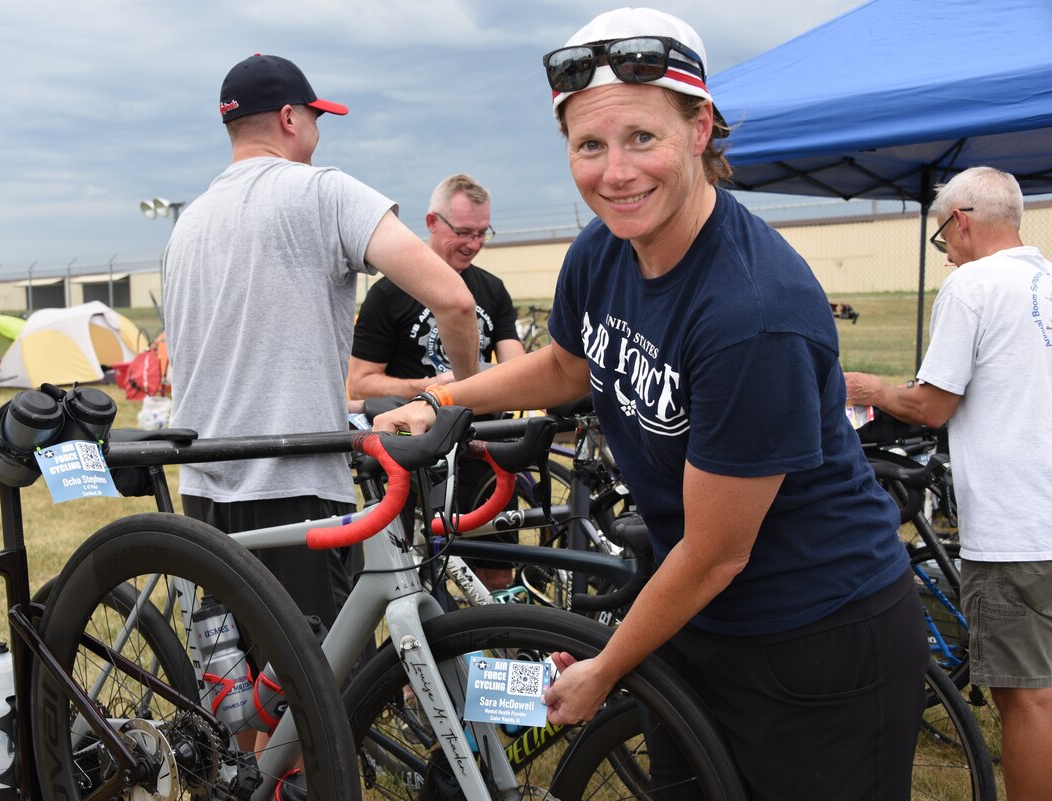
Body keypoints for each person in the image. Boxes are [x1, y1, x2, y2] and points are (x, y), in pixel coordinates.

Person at [375, 8, 927, 798]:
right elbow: (567, 364)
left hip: (815, 634)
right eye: (589, 146)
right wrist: (443, 400)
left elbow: (717, 550)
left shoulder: (750, 311)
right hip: (697, 618)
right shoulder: (604, 249)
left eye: (642, 138)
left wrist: (607, 663)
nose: (615, 172)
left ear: (701, 128)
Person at [163, 54, 479, 639]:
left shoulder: (189, 222)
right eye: (316, 117)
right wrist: (470, 396)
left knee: (245, 686)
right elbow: (455, 301)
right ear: (289, 118)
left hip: (203, 483)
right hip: (292, 479)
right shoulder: (322, 191)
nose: (319, 131)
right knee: (318, 693)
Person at [846, 166, 1052, 800]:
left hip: (1015, 526)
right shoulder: (1044, 276)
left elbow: (933, 406)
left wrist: (870, 388)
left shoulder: (972, 286)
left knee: (1028, 699)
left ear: (960, 220)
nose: (946, 254)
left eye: (943, 239)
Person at [348, 173, 523, 591]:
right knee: (410, 575)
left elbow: (514, 361)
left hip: (482, 444)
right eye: (463, 232)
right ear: (431, 221)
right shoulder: (388, 294)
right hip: (414, 449)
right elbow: (359, 382)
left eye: (483, 233)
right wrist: (427, 388)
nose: (474, 243)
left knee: (498, 568)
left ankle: (504, 644)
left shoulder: (492, 289)